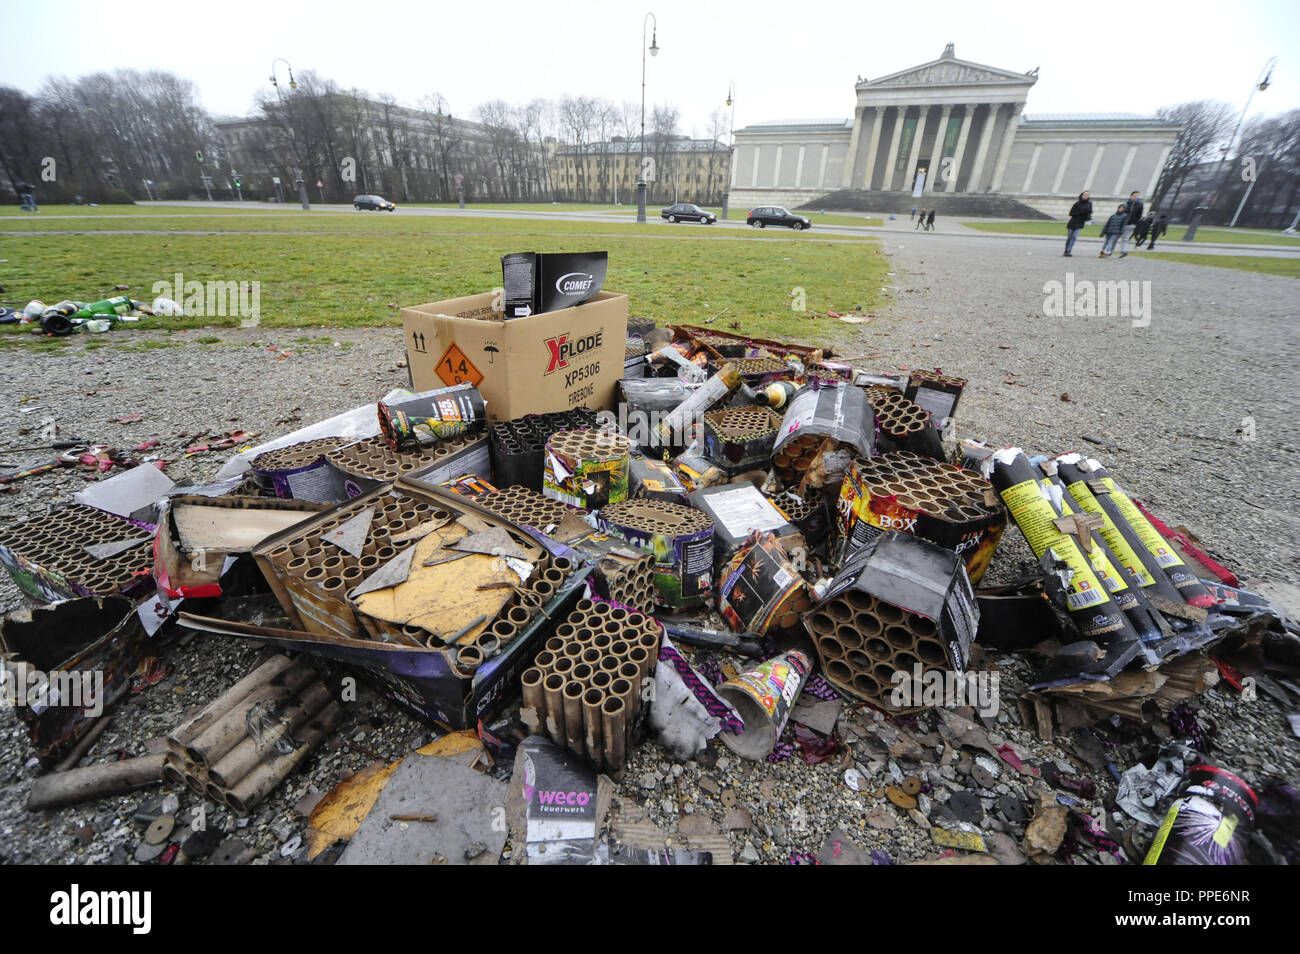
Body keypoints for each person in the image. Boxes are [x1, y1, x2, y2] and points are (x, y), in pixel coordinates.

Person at [1064, 190, 1092, 256]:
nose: (1086, 196)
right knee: (1069, 237)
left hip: (1080, 223)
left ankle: (1068, 251)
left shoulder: (1089, 204)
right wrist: (1080, 212)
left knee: (1074, 237)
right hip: (1073, 222)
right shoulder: (1077, 203)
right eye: (1085, 194)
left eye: (1087, 195)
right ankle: (1066, 250)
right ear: (1082, 195)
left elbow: (1089, 214)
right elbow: (1071, 213)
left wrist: (1088, 216)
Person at [1118, 190, 1143, 257]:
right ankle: (1110, 250)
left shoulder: (1140, 205)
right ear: (1131, 196)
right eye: (1134, 195)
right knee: (1118, 237)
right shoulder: (1127, 204)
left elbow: (1139, 215)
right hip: (1123, 223)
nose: (1136, 197)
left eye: (1137, 196)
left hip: (1131, 224)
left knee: (1125, 238)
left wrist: (1135, 223)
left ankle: (1123, 251)